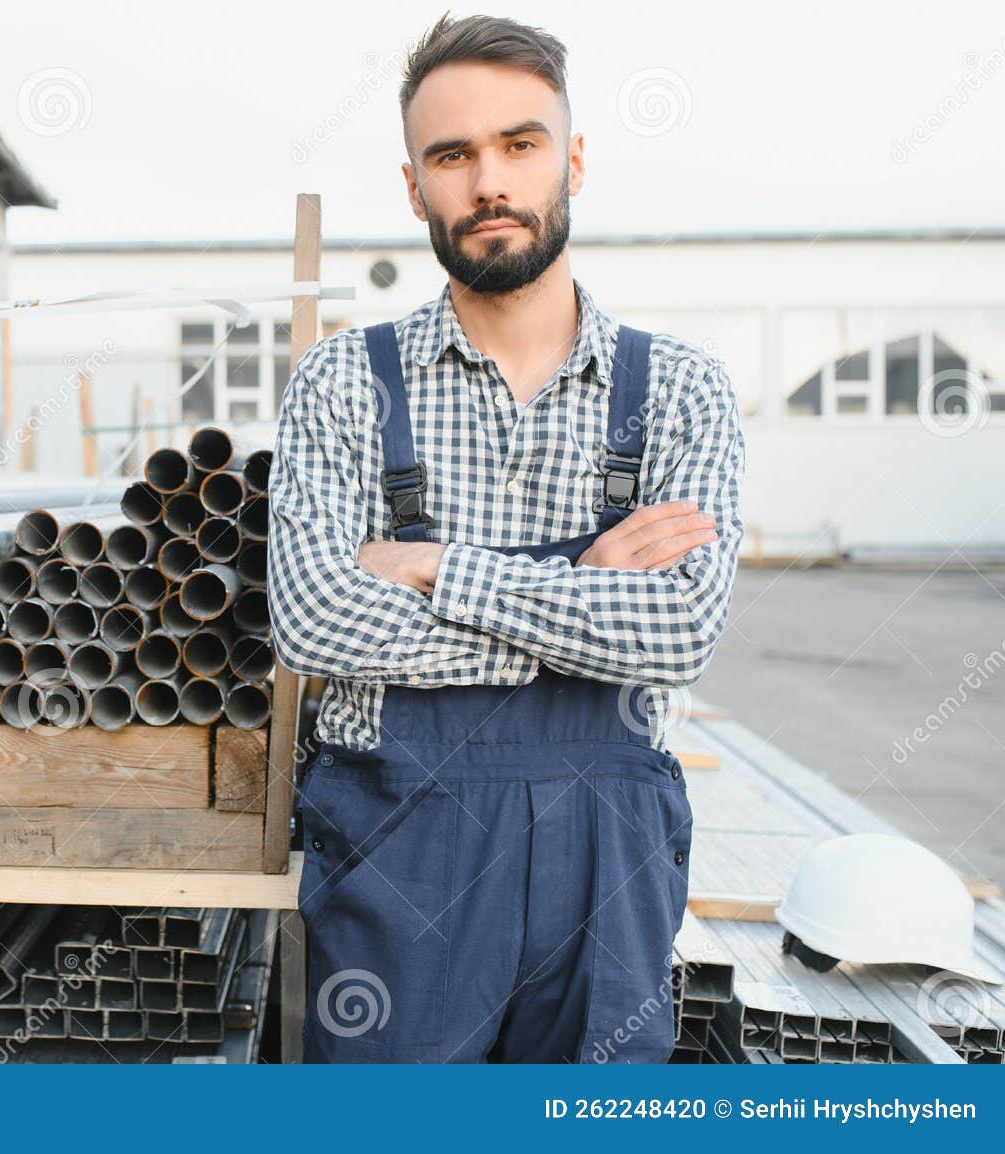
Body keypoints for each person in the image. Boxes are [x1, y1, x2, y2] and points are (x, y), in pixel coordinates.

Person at [267, 13, 746, 1063]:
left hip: (605, 863)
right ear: (413, 186)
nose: (488, 181)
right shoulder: (345, 382)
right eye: (452, 155)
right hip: (403, 851)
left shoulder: (680, 391)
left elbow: (674, 635)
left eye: (518, 145)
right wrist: (585, 590)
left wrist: (435, 565)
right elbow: (311, 619)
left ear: (570, 159)